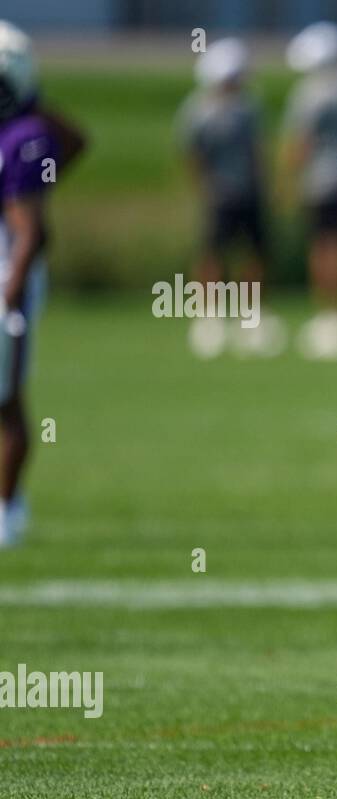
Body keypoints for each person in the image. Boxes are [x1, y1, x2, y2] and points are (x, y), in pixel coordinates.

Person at [0, 21, 87, 548]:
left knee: (6, 399)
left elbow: (32, 231)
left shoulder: (24, 139)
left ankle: (7, 508)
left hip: (6, 276)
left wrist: (10, 290)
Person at [283, 21, 337, 340]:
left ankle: (330, 315)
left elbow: (302, 141)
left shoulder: (310, 93)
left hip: (321, 181)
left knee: (324, 247)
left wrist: (286, 177)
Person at [178, 38, 266, 289]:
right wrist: (204, 187)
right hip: (219, 194)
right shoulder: (198, 111)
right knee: (212, 252)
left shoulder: (248, 107)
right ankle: (208, 312)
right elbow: (192, 154)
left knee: (255, 252)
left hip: (248, 192)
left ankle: (252, 311)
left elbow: (256, 152)